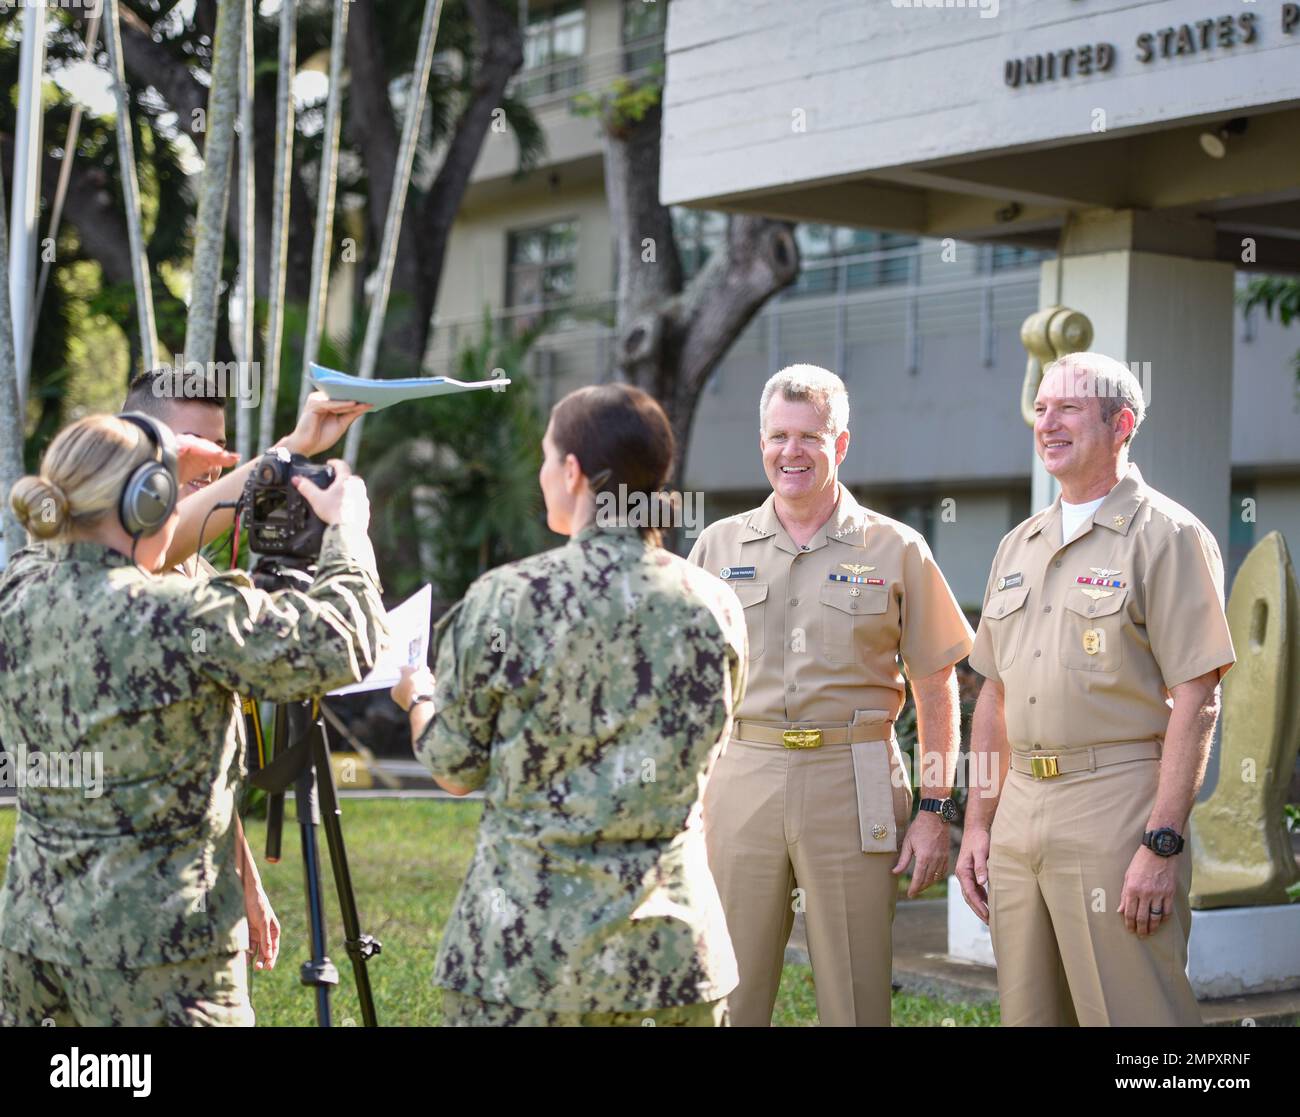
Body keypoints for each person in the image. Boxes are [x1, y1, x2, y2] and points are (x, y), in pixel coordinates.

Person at [0, 413, 388, 1026]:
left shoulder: (18, 595)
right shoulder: (184, 618)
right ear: (148, 506)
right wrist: (348, 531)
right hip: (164, 966)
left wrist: (278, 456)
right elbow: (343, 641)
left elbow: (62, 542)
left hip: (35, 950)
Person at [391, 383, 745, 1027]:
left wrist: (418, 693)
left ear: (575, 473)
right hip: (673, 959)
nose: (542, 472)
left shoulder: (508, 599)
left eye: (548, 457)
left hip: (526, 960)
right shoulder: (716, 606)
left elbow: (452, 767)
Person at [685, 364, 974, 1026]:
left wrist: (935, 806)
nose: (792, 451)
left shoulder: (897, 548)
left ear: (841, 444)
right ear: (761, 442)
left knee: (855, 987)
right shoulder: (716, 545)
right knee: (728, 984)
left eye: (810, 436)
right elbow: (693, 687)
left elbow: (936, 685)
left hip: (855, 773)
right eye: (779, 436)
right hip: (743, 772)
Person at [955, 351, 1235, 1027]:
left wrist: (1161, 842)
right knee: (1031, 1014)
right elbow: (993, 692)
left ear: (1122, 424)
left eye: (1069, 409)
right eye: (1041, 408)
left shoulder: (1167, 536)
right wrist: (977, 823)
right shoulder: (1018, 544)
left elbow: (1198, 698)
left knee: (1138, 1019)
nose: (1047, 422)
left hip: (1117, 807)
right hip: (1020, 811)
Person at [120, 365, 372, 970]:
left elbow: (198, 764)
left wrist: (245, 877)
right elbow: (154, 541)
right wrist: (294, 466)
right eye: (196, 471)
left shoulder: (200, 581)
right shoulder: (116, 576)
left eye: (220, 470)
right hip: (147, 928)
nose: (216, 486)